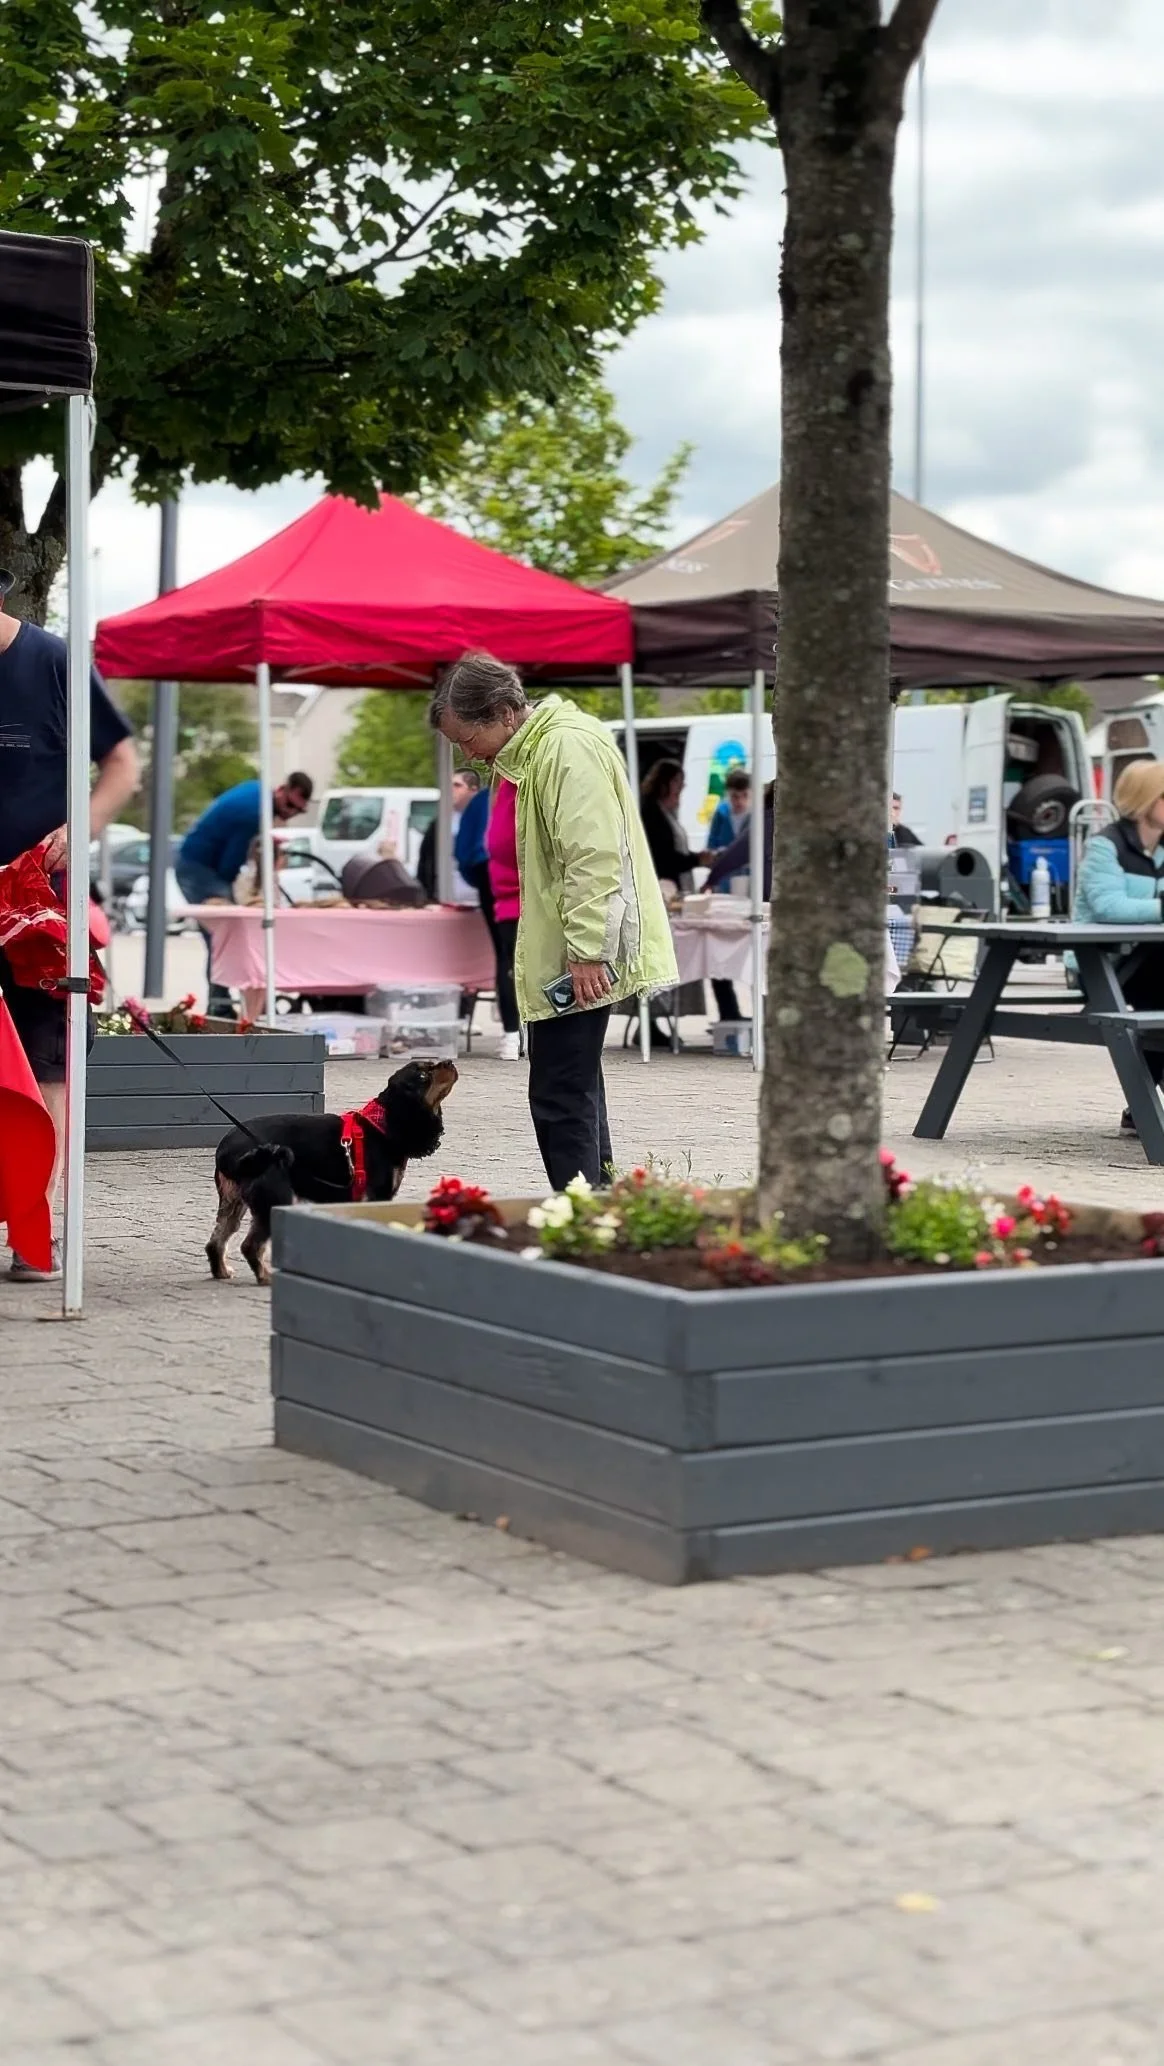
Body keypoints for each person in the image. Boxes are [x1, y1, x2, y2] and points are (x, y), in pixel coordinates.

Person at [429, 652, 677, 1189]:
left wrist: (588, 951)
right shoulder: (542, 750)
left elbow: (592, 856)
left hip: (580, 953)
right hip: (566, 948)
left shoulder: (564, 748)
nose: (468, 755)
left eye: (467, 739)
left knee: (560, 1091)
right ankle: (598, 1205)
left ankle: (581, 1210)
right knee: (574, 1087)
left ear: (504, 713)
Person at [0, 569, 140, 1280]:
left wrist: (80, 826)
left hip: (39, 903)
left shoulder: (51, 661)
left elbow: (122, 761)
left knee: (47, 1060)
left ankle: (36, 1225)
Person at [1075, 759, 1164, 1136]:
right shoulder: (1104, 846)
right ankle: (1142, 1109)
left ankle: (1140, 1109)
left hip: (1151, 963)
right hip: (1103, 964)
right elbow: (1108, 907)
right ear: (1145, 799)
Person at [176, 770, 312, 1013]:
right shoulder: (254, 814)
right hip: (200, 869)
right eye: (289, 806)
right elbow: (230, 863)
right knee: (225, 937)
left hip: (197, 864)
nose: (289, 814)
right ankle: (220, 1006)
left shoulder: (255, 789)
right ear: (281, 790)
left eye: (297, 811)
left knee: (226, 938)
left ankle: (225, 1003)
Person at [640, 758, 741, 1027]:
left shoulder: (663, 811)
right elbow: (663, 857)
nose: (682, 789)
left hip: (674, 888)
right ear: (667, 783)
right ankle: (651, 1022)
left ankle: (725, 1010)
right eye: (679, 783)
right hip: (664, 891)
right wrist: (697, 859)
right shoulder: (652, 814)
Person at [486, 776, 521, 1060]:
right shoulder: (509, 787)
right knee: (511, 967)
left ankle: (514, 1033)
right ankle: (514, 1032)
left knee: (510, 966)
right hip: (514, 896)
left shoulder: (507, 788)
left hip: (512, 895)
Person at [707, 768, 752, 893]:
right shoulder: (721, 814)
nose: (740, 801)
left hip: (749, 880)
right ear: (728, 794)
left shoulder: (757, 816)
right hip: (724, 880)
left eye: (745, 795)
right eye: (735, 796)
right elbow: (711, 844)